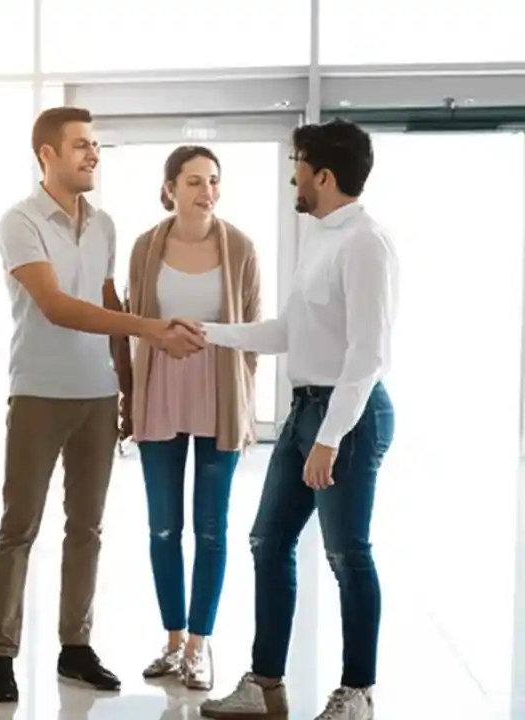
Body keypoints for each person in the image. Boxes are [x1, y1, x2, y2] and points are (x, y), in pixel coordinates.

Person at [0, 106, 205, 704]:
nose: (92, 155)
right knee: (18, 527)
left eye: (96, 145)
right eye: (81, 145)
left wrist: (128, 387)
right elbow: (56, 306)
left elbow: (107, 303)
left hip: (98, 395)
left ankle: (75, 648)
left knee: (87, 528)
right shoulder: (20, 221)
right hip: (37, 391)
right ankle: (1, 656)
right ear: (46, 154)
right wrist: (152, 327)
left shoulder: (103, 224)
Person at [195, 119, 397, 720]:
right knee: (268, 540)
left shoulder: (366, 243)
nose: (293, 176)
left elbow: (368, 354)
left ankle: (357, 691)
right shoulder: (319, 237)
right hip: (304, 410)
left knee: (346, 553)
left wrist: (330, 440)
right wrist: (207, 333)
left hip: (349, 418)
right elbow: (289, 331)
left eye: (298, 164)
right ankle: (264, 684)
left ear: (324, 176)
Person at [126, 145, 261, 692]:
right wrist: (127, 393)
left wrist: (247, 405)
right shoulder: (145, 247)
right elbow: (135, 322)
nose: (207, 190)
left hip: (219, 393)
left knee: (211, 528)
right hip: (160, 387)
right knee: (163, 527)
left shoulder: (241, 247)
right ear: (170, 188)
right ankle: (174, 639)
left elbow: (250, 330)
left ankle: (201, 647)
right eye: (195, 181)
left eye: (213, 181)